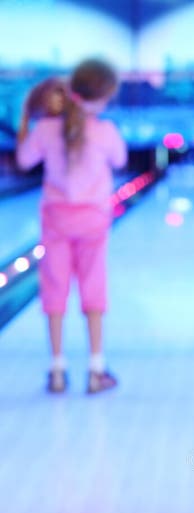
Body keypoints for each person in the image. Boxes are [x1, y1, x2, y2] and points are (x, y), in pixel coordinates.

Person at [16, 58, 127, 394]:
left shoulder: (46, 129)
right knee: (93, 288)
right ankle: (96, 369)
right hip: (93, 220)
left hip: (56, 219)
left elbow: (23, 161)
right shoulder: (105, 131)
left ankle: (58, 370)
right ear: (102, 98)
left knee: (55, 288)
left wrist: (27, 124)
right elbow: (121, 160)